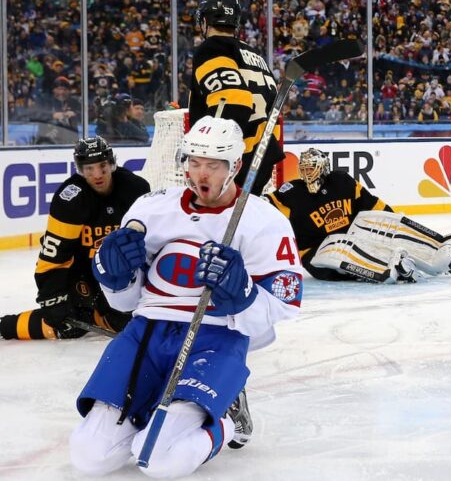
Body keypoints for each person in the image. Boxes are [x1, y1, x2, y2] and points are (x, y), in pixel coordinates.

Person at [68, 116, 303, 478]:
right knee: (89, 457)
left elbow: (280, 310)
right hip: (146, 334)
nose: (201, 175)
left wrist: (243, 296)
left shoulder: (264, 221)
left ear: (236, 166)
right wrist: (116, 277)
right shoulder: (152, 207)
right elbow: (126, 303)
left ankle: (222, 418)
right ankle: (155, 409)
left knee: (158, 461)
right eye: (194, 163)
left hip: (214, 339)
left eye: (212, 165)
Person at [1, 137, 150, 340]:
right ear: (80, 169)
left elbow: (150, 241)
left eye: (102, 166)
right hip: (82, 275)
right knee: (73, 324)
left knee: (140, 317)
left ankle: (94, 314)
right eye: (89, 169)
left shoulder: (135, 188)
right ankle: (5, 326)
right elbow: (53, 255)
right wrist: (53, 298)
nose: (97, 175)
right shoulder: (70, 199)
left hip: (121, 274)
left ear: (111, 163)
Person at [264, 148, 451, 283]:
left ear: (323, 167)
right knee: (338, 244)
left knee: (372, 221)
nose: (308, 174)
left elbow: (375, 206)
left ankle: (438, 245)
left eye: (312, 168)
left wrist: (397, 226)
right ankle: (390, 270)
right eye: (305, 169)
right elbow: (263, 207)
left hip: (350, 240)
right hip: (315, 255)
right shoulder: (291, 192)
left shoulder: (342, 181)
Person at [189, 0, 284, 195]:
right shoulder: (256, 57)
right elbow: (274, 111)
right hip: (262, 156)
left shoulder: (212, 48)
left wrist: (214, 159)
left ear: (204, 21)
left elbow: (233, 102)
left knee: (218, 222)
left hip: (233, 161)